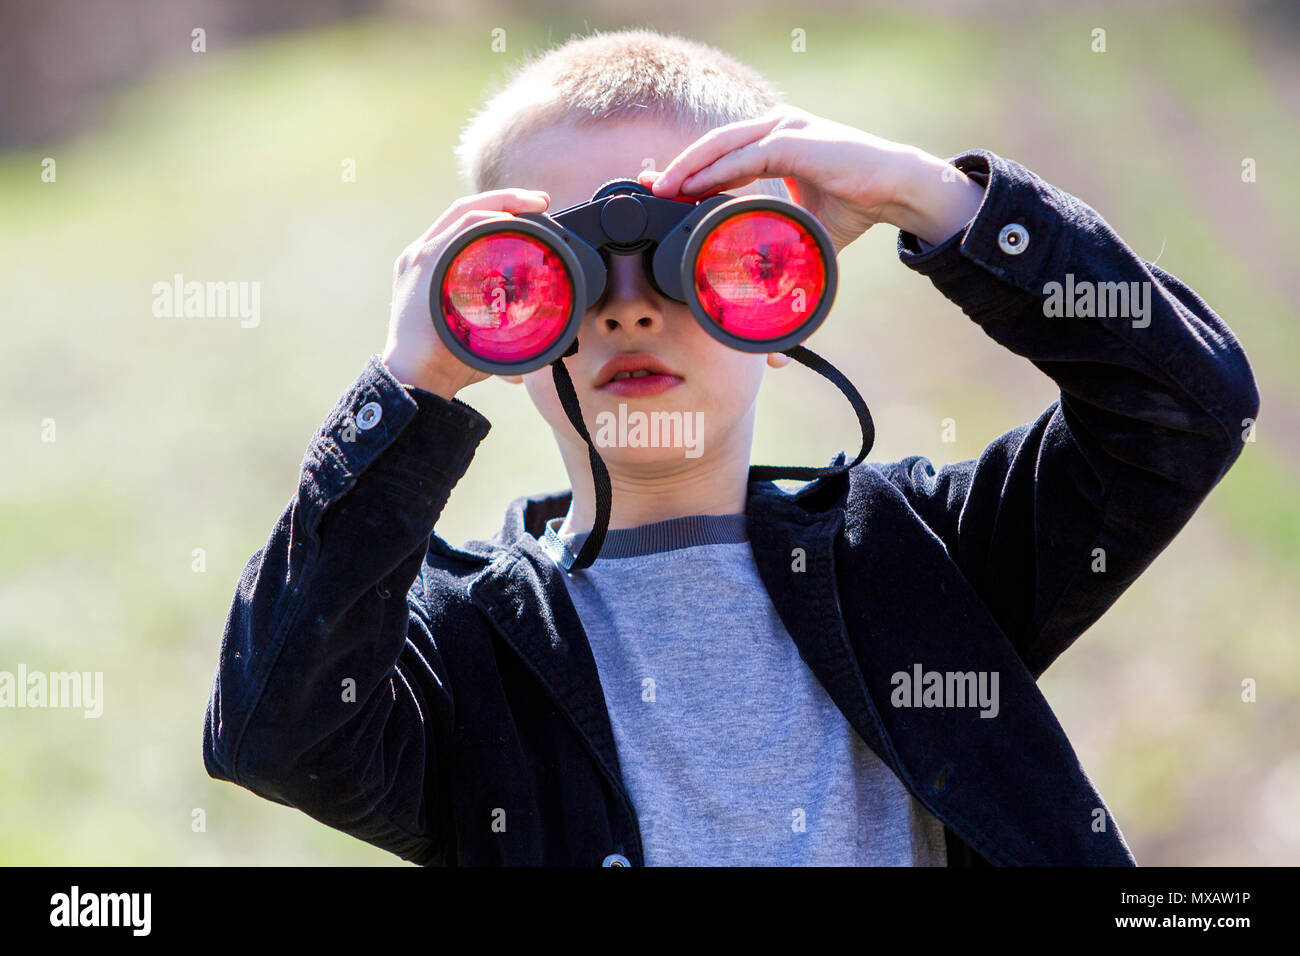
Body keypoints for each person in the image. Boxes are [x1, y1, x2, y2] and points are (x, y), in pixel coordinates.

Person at [202, 28, 1260, 866]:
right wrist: (410, 385)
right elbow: (274, 730)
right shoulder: (469, 647)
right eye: (547, 278)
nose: (628, 309)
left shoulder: (917, 564)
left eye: (698, 257)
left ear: (788, 304)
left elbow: (1186, 410)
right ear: (501, 334)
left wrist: (933, 198)